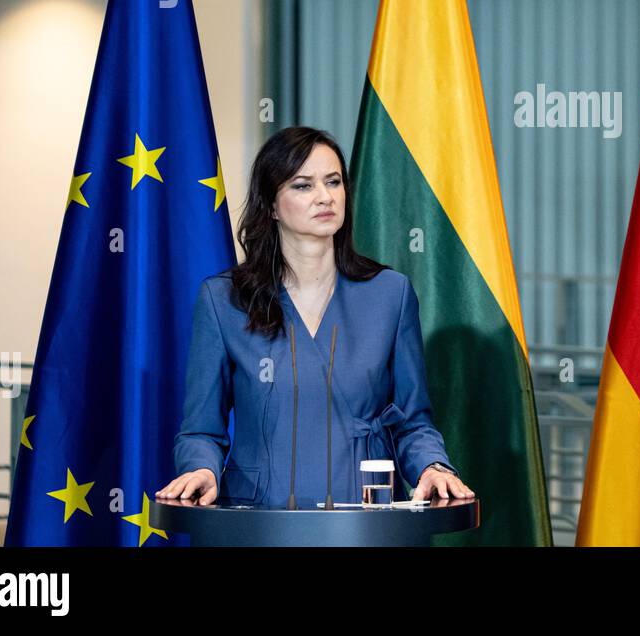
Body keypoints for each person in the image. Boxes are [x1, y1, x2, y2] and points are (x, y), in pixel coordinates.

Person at [156, 126, 472, 508]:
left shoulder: (391, 294)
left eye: (333, 182)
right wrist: (202, 468)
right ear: (271, 205)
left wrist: (432, 466)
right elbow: (201, 431)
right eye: (303, 185)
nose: (325, 197)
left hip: (363, 517)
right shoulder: (224, 299)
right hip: (260, 520)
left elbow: (413, 422)